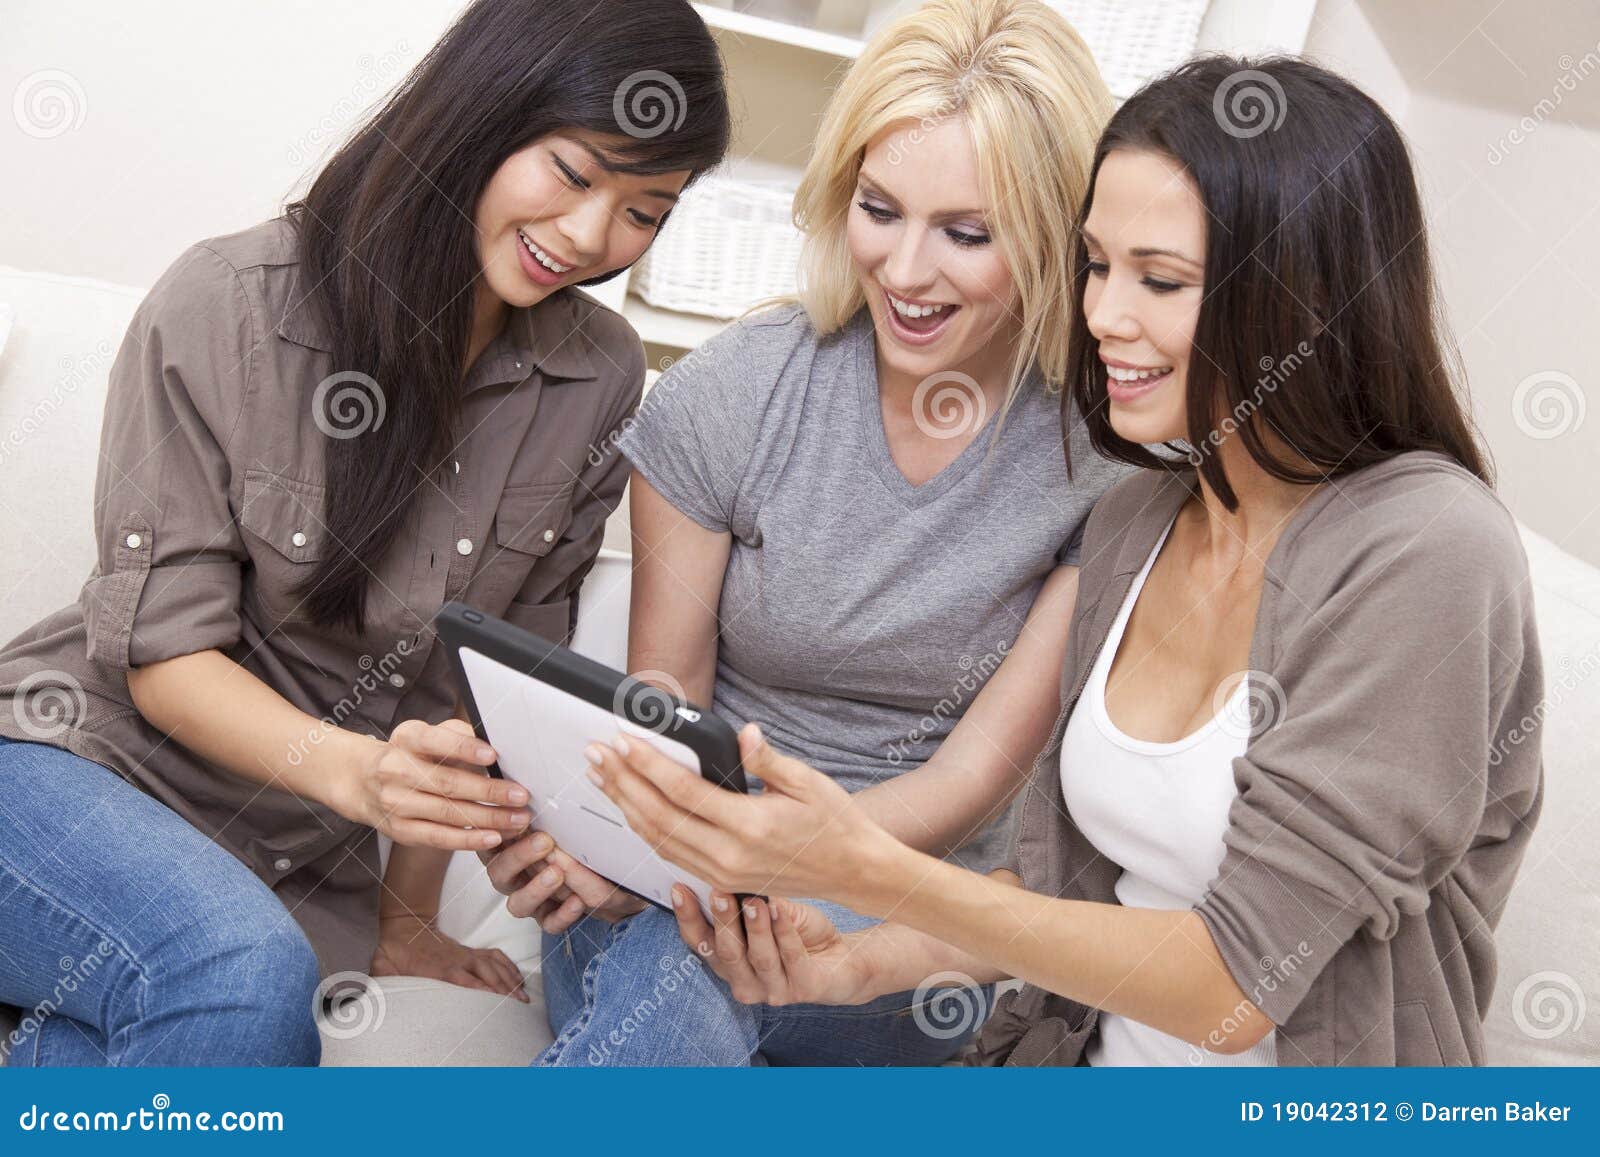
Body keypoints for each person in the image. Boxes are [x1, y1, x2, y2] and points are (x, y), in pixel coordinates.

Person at [584, 55, 1545, 1067]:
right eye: (1097, 265)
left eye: (1160, 280)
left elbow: (1237, 980)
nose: (1102, 316)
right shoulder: (1140, 517)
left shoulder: (1429, 551)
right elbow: (1055, 895)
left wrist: (867, 871)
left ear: (1305, 302)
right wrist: (858, 965)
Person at [0, 0, 729, 1065]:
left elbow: (468, 694)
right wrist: (354, 772)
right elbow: (162, 656)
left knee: (100, 1060)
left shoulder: (598, 374)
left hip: (285, 871)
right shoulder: (231, 300)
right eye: (575, 173)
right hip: (74, 776)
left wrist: (404, 920)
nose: (590, 235)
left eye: (644, 210)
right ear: (480, 113)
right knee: (238, 974)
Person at [481, 0, 1129, 1066]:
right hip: (687, 862)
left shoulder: (1098, 458)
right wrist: (679, 846)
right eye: (879, 209)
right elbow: (666, 706)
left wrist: (788, 862)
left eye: (966, 234)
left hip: (904, 910)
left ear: (1061, 235)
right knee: (689, 956)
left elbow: (975, 777)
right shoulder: (739, 390)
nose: (905, 271)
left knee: (703, 958)